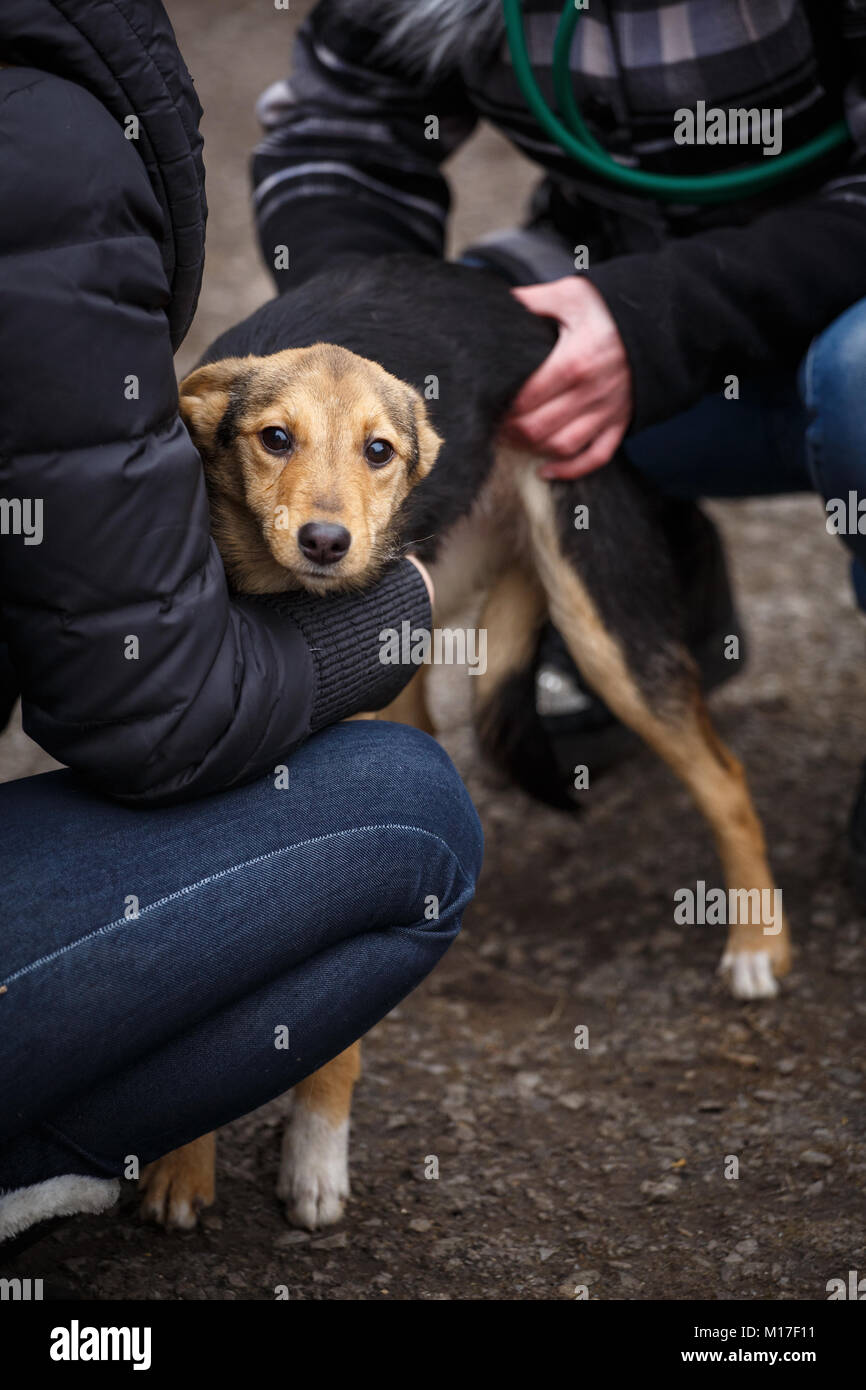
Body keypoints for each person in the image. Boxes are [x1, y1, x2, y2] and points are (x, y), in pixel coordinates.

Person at [0, 0, 481, 1253]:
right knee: (411, 810)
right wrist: (391, 619)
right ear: (208, 417)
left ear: (411, 466)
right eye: (276, 443)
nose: (326, 510)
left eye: (374, 463)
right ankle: (64, 1133)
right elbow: (137, 729)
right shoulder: (50, 143)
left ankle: (293, 1093)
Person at [252, 0, 866, 887]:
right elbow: (337, 135)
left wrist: (666, 321)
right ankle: (637, 569)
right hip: (616, 292)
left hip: (824, 296)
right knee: (457, 356)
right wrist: (365, 362)